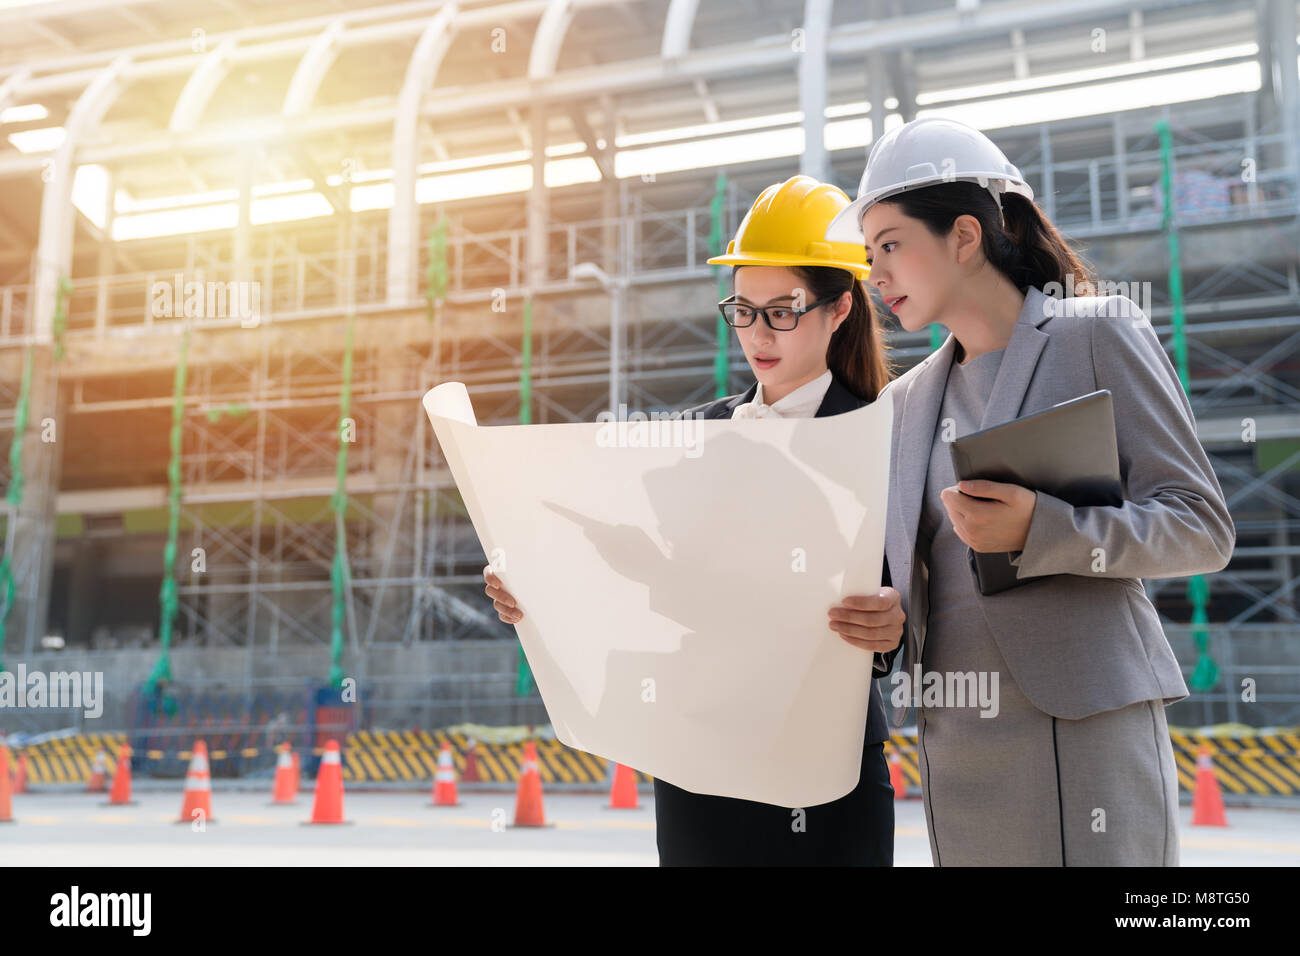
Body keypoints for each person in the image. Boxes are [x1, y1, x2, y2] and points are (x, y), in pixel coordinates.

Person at [825, 116, 1236, 865]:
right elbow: (918, 572)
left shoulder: (1095, 333)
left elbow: (1201, 527)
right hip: (958, 736)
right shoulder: (907, 400)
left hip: (1084, 721)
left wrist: (1042, 528)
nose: (875, 275)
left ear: (964, 236)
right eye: (868, 255)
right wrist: (887, 618)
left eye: (888, 246)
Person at [484, 174, 905, 865]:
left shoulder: (886, 435)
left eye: (784, 310)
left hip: (827, 774)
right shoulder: (692, 437)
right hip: (700, 767)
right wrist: (532, 585)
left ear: (840, 310)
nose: (757, 334)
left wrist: (893, 626)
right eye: (742, 310)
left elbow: (918, 601)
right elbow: (623, 577)